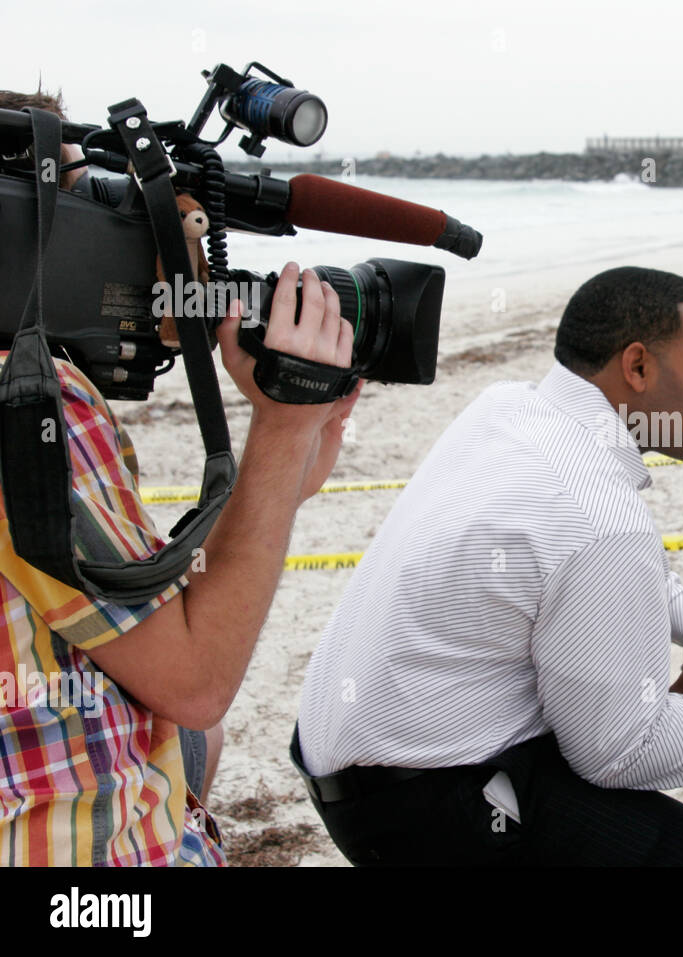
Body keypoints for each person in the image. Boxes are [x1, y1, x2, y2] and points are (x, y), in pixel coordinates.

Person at [293, 266, 683, 866]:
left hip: (346, 769)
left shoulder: (506, 409)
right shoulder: (598, 510)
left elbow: (576, 560)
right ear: (638, 367)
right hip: (428, 807)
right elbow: (621, 751)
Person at [0, 89, 362, 865]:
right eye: (73, 195)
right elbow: (196, 678)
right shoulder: (30, 402)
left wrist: (283, 469)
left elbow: (153, 614)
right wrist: (284, 423)